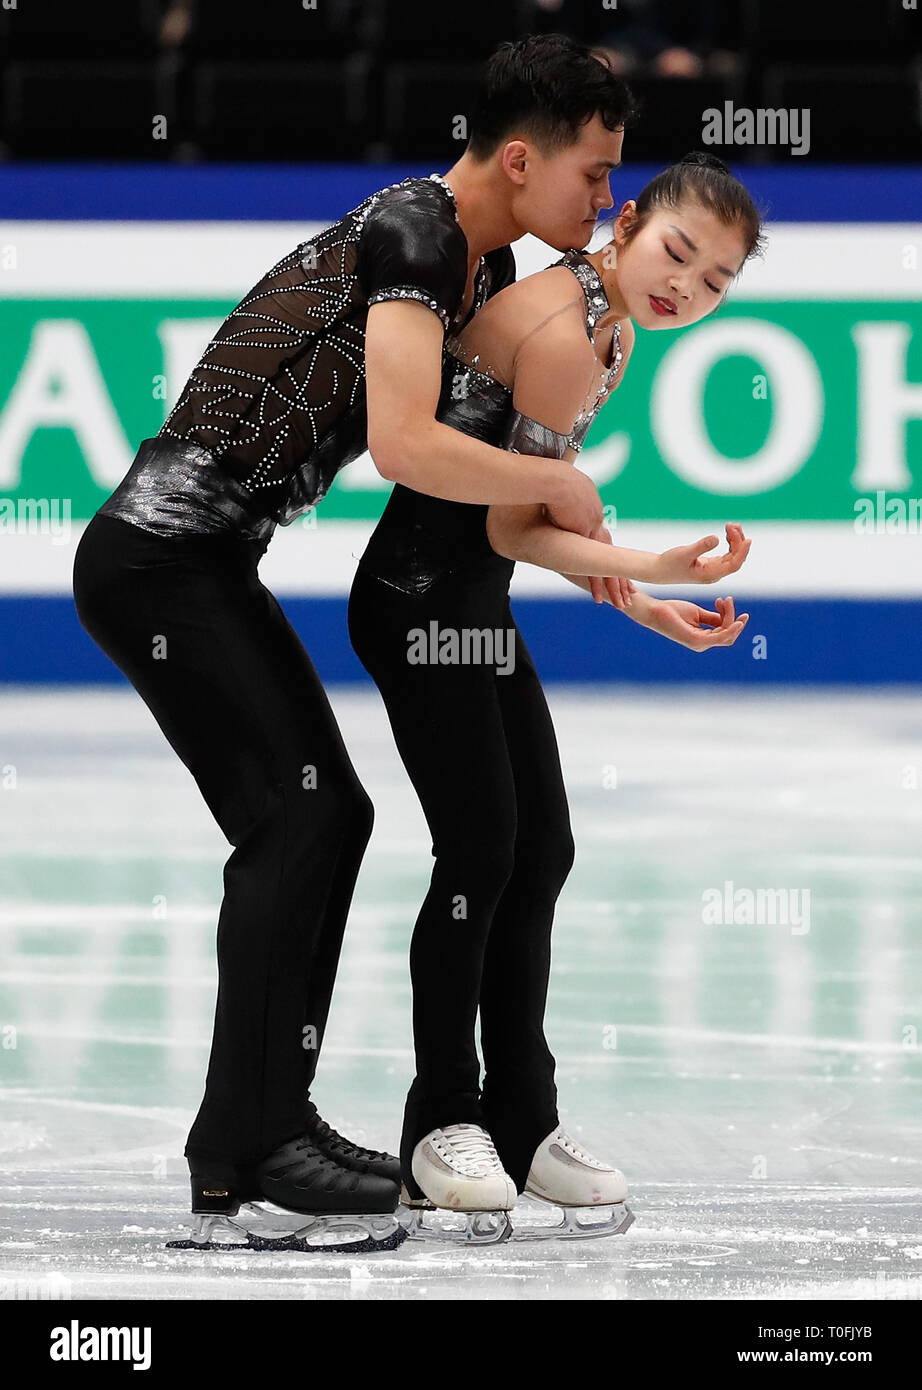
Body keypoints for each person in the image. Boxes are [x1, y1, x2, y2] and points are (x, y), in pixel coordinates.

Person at [71, 33, 636, 1249]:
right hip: (161, 560)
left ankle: (258, 1133)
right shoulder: (418, 232)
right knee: (308, 816)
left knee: (322, 814)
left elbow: (483, 498)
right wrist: (576, 485)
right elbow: (404, 445)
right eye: (593, 178)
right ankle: (253, 1140)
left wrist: (614, 557)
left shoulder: (470, 266)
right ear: (523, 158)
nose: (604, 204)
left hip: (202, 563)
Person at [348, 151, 763, 1240]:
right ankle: (441, 1119)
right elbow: (510, 523)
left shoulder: (608, 323)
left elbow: (534, 520)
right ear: (627, 224)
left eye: (714, 281)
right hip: (416, 600)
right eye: (677, 251)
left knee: (543, 849)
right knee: (481, 851)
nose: (686, 286)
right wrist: (664, 569)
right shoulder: (567, 332)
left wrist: (640, 605)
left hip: (468, 600)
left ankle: (524, 1118)